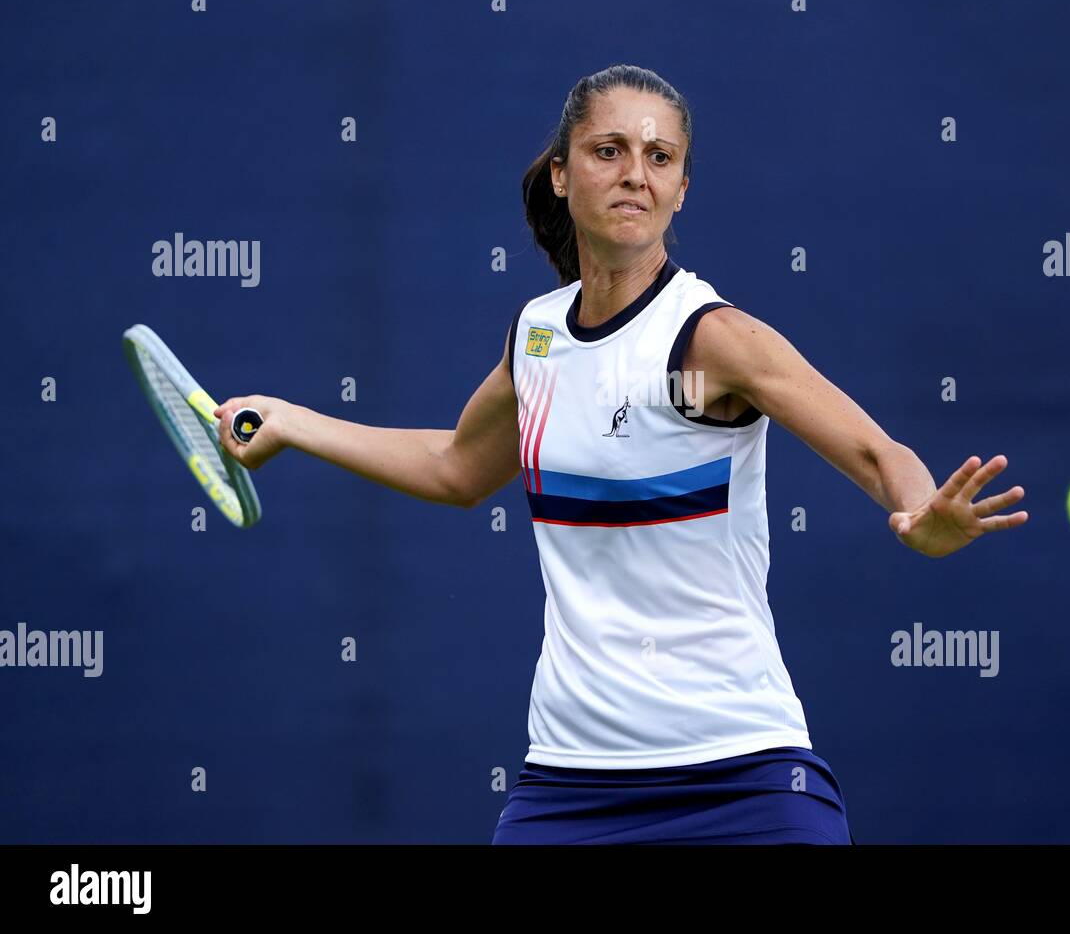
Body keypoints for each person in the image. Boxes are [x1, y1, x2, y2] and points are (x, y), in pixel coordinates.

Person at [214, 64, 1028, 845]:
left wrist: (921, 515)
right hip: (568, 785)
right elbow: (458, 468)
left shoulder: (713, 339)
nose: (635, 173)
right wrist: (292, 421)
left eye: (659, 157)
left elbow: (881, 454)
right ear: (563, 174)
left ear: (681, 189)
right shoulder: (536, 337)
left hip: (741, 778)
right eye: (609, 150)